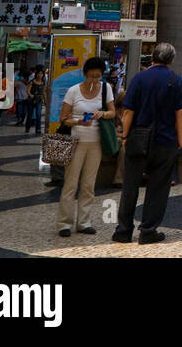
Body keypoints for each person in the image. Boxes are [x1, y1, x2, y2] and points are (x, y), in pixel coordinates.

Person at [114, 42, 182, 244]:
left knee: (130, 185)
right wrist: (180, 139)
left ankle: (123, 230)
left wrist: (125, 135)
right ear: (171, 60)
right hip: (165, 141)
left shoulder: (139, 78)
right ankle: (147, 231)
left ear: (153, 57)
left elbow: (128, 111)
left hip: (137, 138)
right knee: (158, 187)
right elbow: (181, 113)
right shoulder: (175, 81)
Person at [57, 57, 115, 237]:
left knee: (89, 184)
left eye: (98, 77)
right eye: (91, 76)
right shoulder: (73, 91)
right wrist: (78, 121)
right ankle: (64, 223)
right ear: (84, 74)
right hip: (76, 141)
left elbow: (113, 112)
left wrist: (102, 113)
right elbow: (63, 118)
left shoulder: (106, 89)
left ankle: (84, 222)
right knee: (71, 183)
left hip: (96, 142)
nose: (94, 81)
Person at [25, 66, 46, 135]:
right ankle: (27, 127)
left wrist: (45, 100)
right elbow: (28, 91)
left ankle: (38, 129)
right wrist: (31, 95)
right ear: (36, 74)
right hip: (31, 100)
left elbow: (44, 92)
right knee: (30, 115)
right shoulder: (32, 82)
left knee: (38, 114)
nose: (40, 75)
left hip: (39, 100)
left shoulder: (43, 83)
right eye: (38, 73)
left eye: (41, 74)